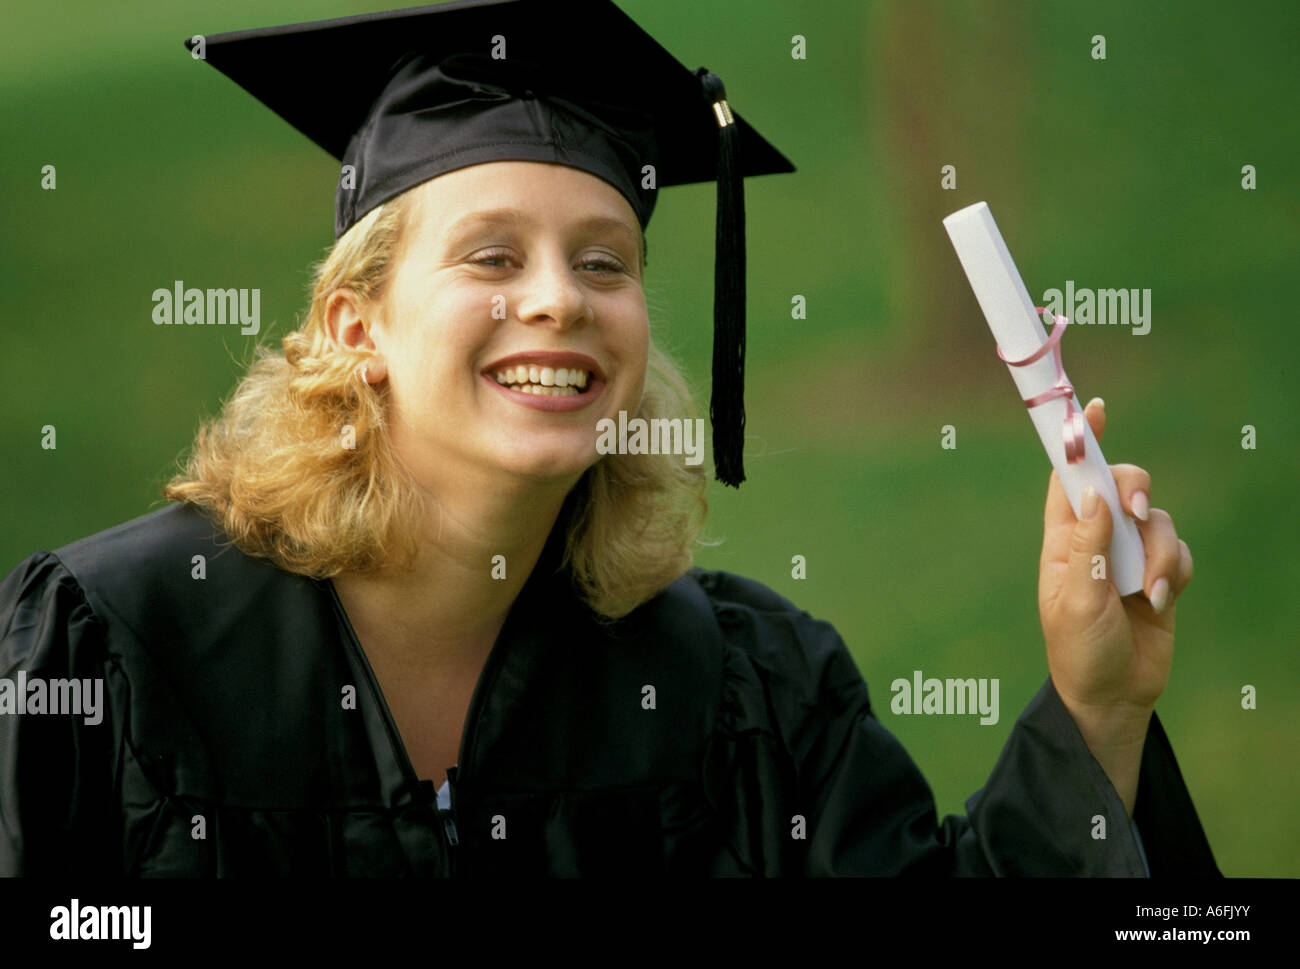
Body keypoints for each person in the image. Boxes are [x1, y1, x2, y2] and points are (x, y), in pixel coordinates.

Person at [0, 0, 1217, 877]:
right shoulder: (113, 650)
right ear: (353, 323)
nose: (557, 299)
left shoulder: (738, 691)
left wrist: (1094, 707)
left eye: (605, 262)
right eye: (491, 255)